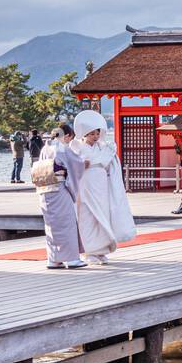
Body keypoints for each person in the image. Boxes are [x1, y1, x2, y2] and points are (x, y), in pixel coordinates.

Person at [70, 110, 135, 264]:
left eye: (97, 133)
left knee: (103, 215)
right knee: (88, 216)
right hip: (85, 185)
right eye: (92, 133)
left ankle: (101, 250)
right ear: (84, 134)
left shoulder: (104, 148)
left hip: (101, 185)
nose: (95, 136)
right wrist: (81, 165)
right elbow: (70, 166)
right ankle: (89, 251)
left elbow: (111, 166)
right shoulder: (77, 147)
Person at [32, 122, 85, 269]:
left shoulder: (45, 148)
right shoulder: (62, 149)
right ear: (66, 136)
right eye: (70, 138)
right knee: (66, 223)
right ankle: (72, 259)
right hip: (59, 188)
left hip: (44, 190)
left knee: (51, 225)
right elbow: (78, 165)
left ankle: (53, 259)